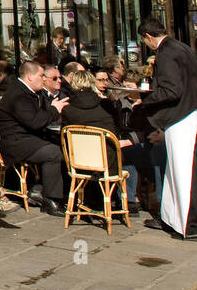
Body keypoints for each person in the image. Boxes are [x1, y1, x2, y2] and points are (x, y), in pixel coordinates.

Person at [133, 17, 197, 242]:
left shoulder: (165, 53)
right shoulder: (182, 47)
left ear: (148, 37)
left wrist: (144, 100)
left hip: (183, 116)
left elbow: (172, 90)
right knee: (177, 171)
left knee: (184, 173)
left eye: (144, 41)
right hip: (190, 112)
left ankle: (196, 226)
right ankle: (174, 219)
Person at [61, 67, 142, 215]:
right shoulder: (105, 105)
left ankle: (95, 199)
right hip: (106, 161)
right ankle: (128, 201)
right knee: (128, 154)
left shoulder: (67, 109)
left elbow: (64, 135)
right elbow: (115, 131)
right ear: (92, 83)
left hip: (78, 161)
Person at [0, 61, 69, 216]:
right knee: (53, 153)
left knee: (61, 145)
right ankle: (51, 199)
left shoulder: (29, 92)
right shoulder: (18, 94)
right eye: (41, 75)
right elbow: (35, 122)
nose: (44, 79)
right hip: (13, 143)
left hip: (25, 138)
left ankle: (40, 190)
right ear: (30, 77)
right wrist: (54, 110)